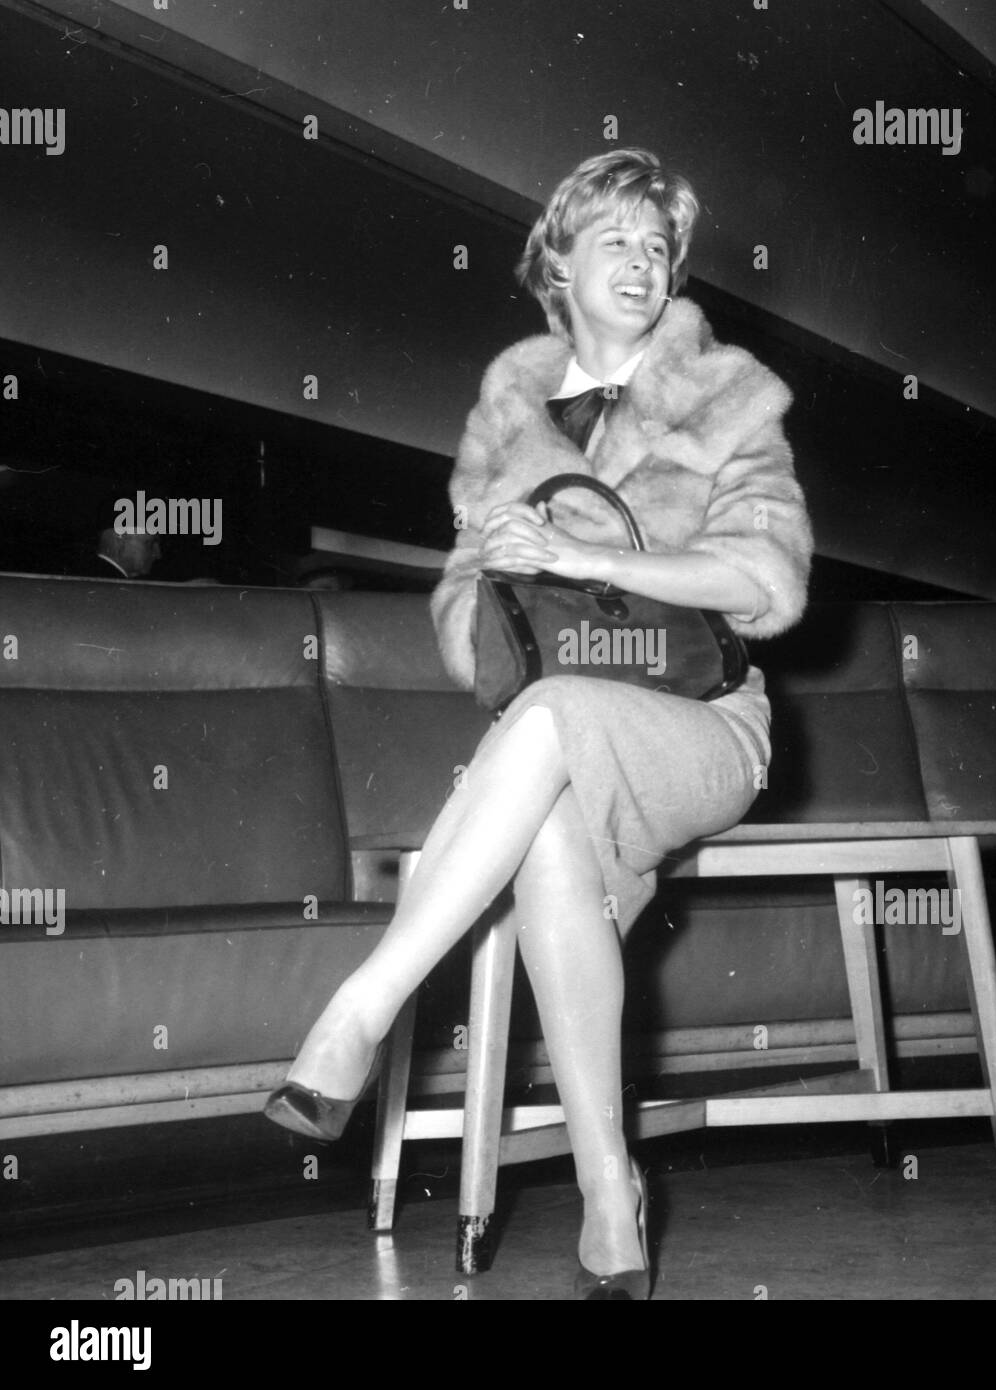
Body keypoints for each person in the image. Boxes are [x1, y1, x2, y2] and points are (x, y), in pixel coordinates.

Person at [265, 148, 814, 1299]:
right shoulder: (507, 409)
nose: (641, 262)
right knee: (550, 829)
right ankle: (610, 1193)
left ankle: (360, 1006)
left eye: (657, 245)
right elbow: (471, 609)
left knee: (556, 715)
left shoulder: (733, 395)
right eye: (613, 238)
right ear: (553, 263)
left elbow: (770, 580)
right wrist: (491, 593)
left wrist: (589, 553)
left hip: (704, 724)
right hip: (556, 727)